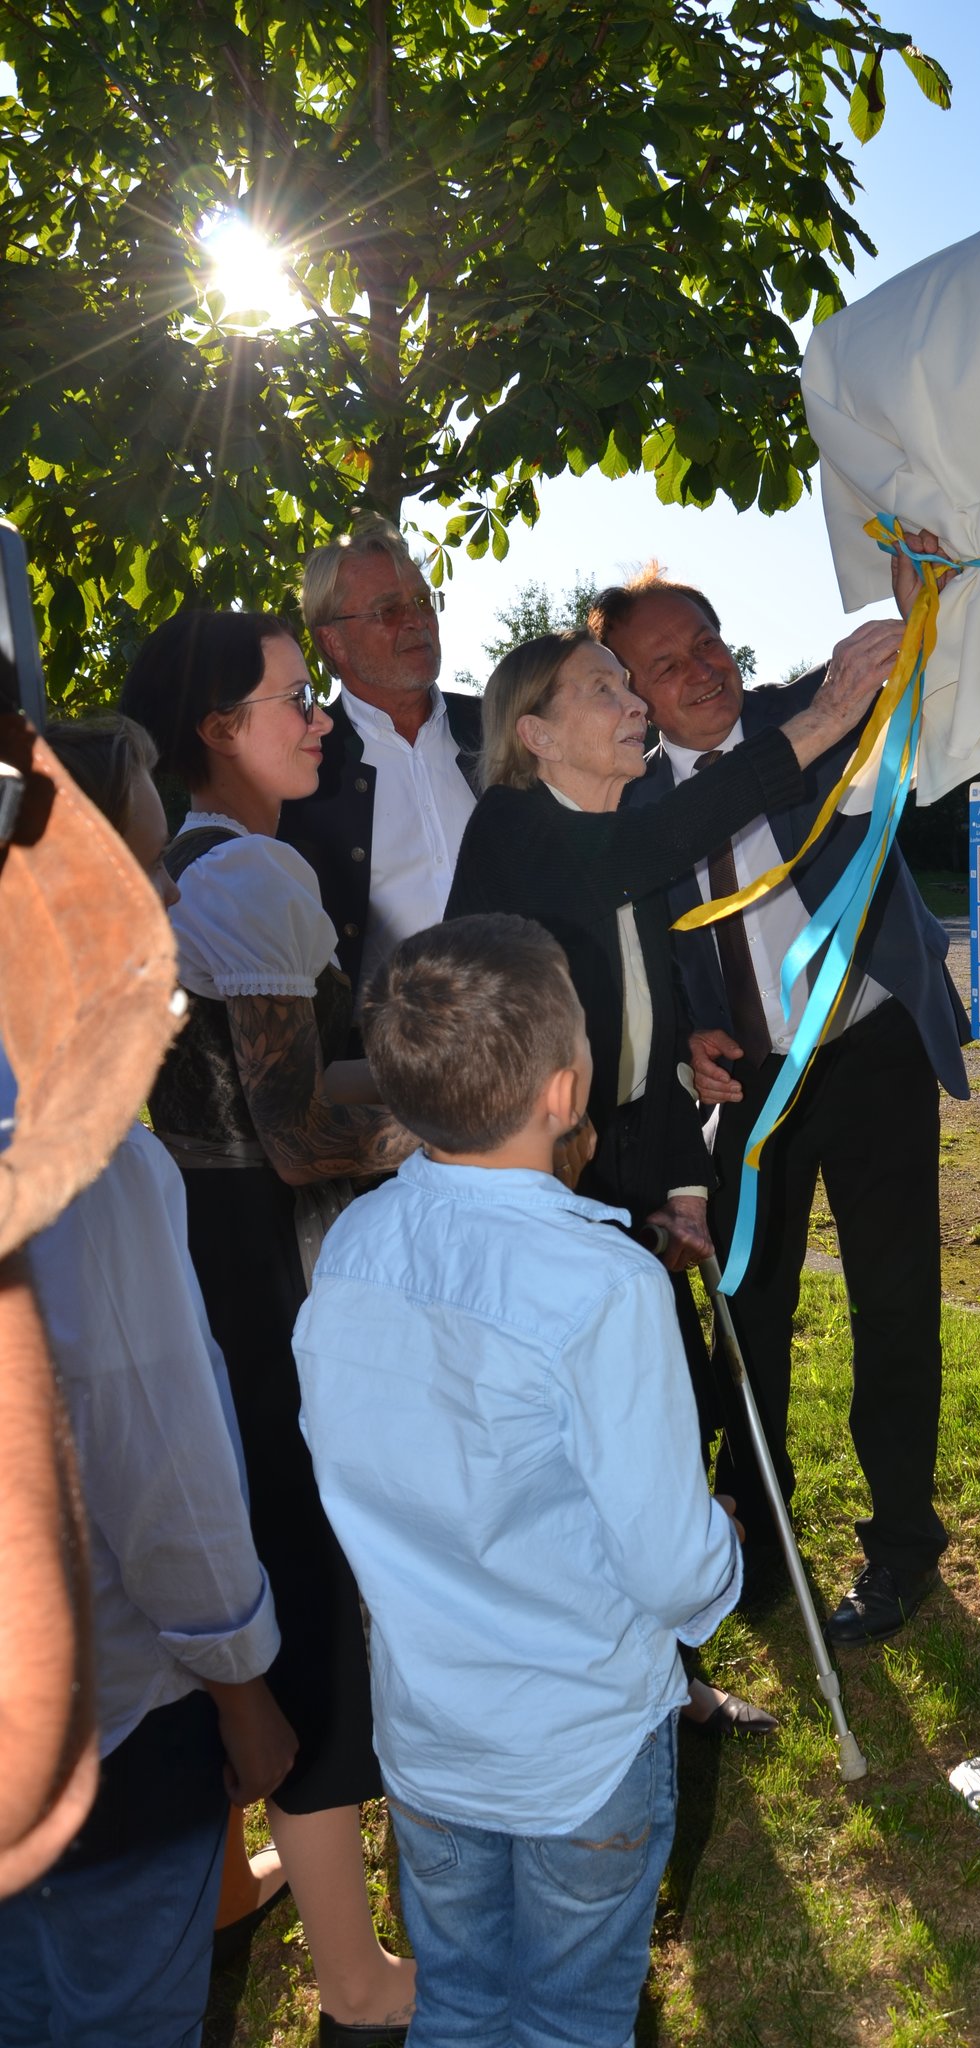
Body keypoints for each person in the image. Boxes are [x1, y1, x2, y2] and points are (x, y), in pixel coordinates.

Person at [293, 913, 746, 2047]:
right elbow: (665, 1553)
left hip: (432, 1735)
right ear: (565, 1087)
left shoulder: (350, 1248)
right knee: (570, 2019)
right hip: (581, 1743)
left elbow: (351, 1457)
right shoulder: (603, 1284)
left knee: (458, 2001)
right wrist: (721, 1547)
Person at [446, 619, 904, 1719]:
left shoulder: (618, 829)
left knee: (672, 1404)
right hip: (532, 1197)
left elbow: (649, 1043)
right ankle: (589, 1675)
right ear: (537, 733)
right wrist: (827, 717)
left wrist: (684, 1190)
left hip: (620, 1177)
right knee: (579, 1440)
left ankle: (665, 1671)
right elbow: (680, 832)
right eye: (605, 687)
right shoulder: (518, 830)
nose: (634, 702)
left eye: (626, 684)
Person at [121, 613, 419, 2046]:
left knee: (216, 1565)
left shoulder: (161, 860)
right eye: (294, 703)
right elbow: (298, 1132)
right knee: (302, 1590)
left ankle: (244, 1880)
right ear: (213, 730)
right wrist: (458, 1122)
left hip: (181, 1255)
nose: (321, 723)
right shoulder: (250, 870)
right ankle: (360, 1983)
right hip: (256, 1277)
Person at [594, 542, 972, 1646]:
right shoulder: (626, 804)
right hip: (748, 1093)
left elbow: (913, 661)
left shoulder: (815, 713)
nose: (703, 666)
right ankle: (756, 1537)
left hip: (872, 1057)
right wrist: (684, 1042)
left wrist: (923, 594)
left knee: (894, 1304)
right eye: (666, 662)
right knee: (747, 1314)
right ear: (628, 690)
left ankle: (902, 1544)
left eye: (708, 638)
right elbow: (648, 959)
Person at [0, 715, 296, 2046]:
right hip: (102, 1730)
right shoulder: (88, 1165)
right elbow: (160, 1467)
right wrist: (242, 1691)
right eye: (147, 867)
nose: (173, 898)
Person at [278, 517, 482, 1015]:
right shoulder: (303, 771)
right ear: (333, 643)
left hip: (533, 1051)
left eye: (421, 601)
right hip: (383, 1077)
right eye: (388, 610)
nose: (416, 621)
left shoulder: (498, 727)